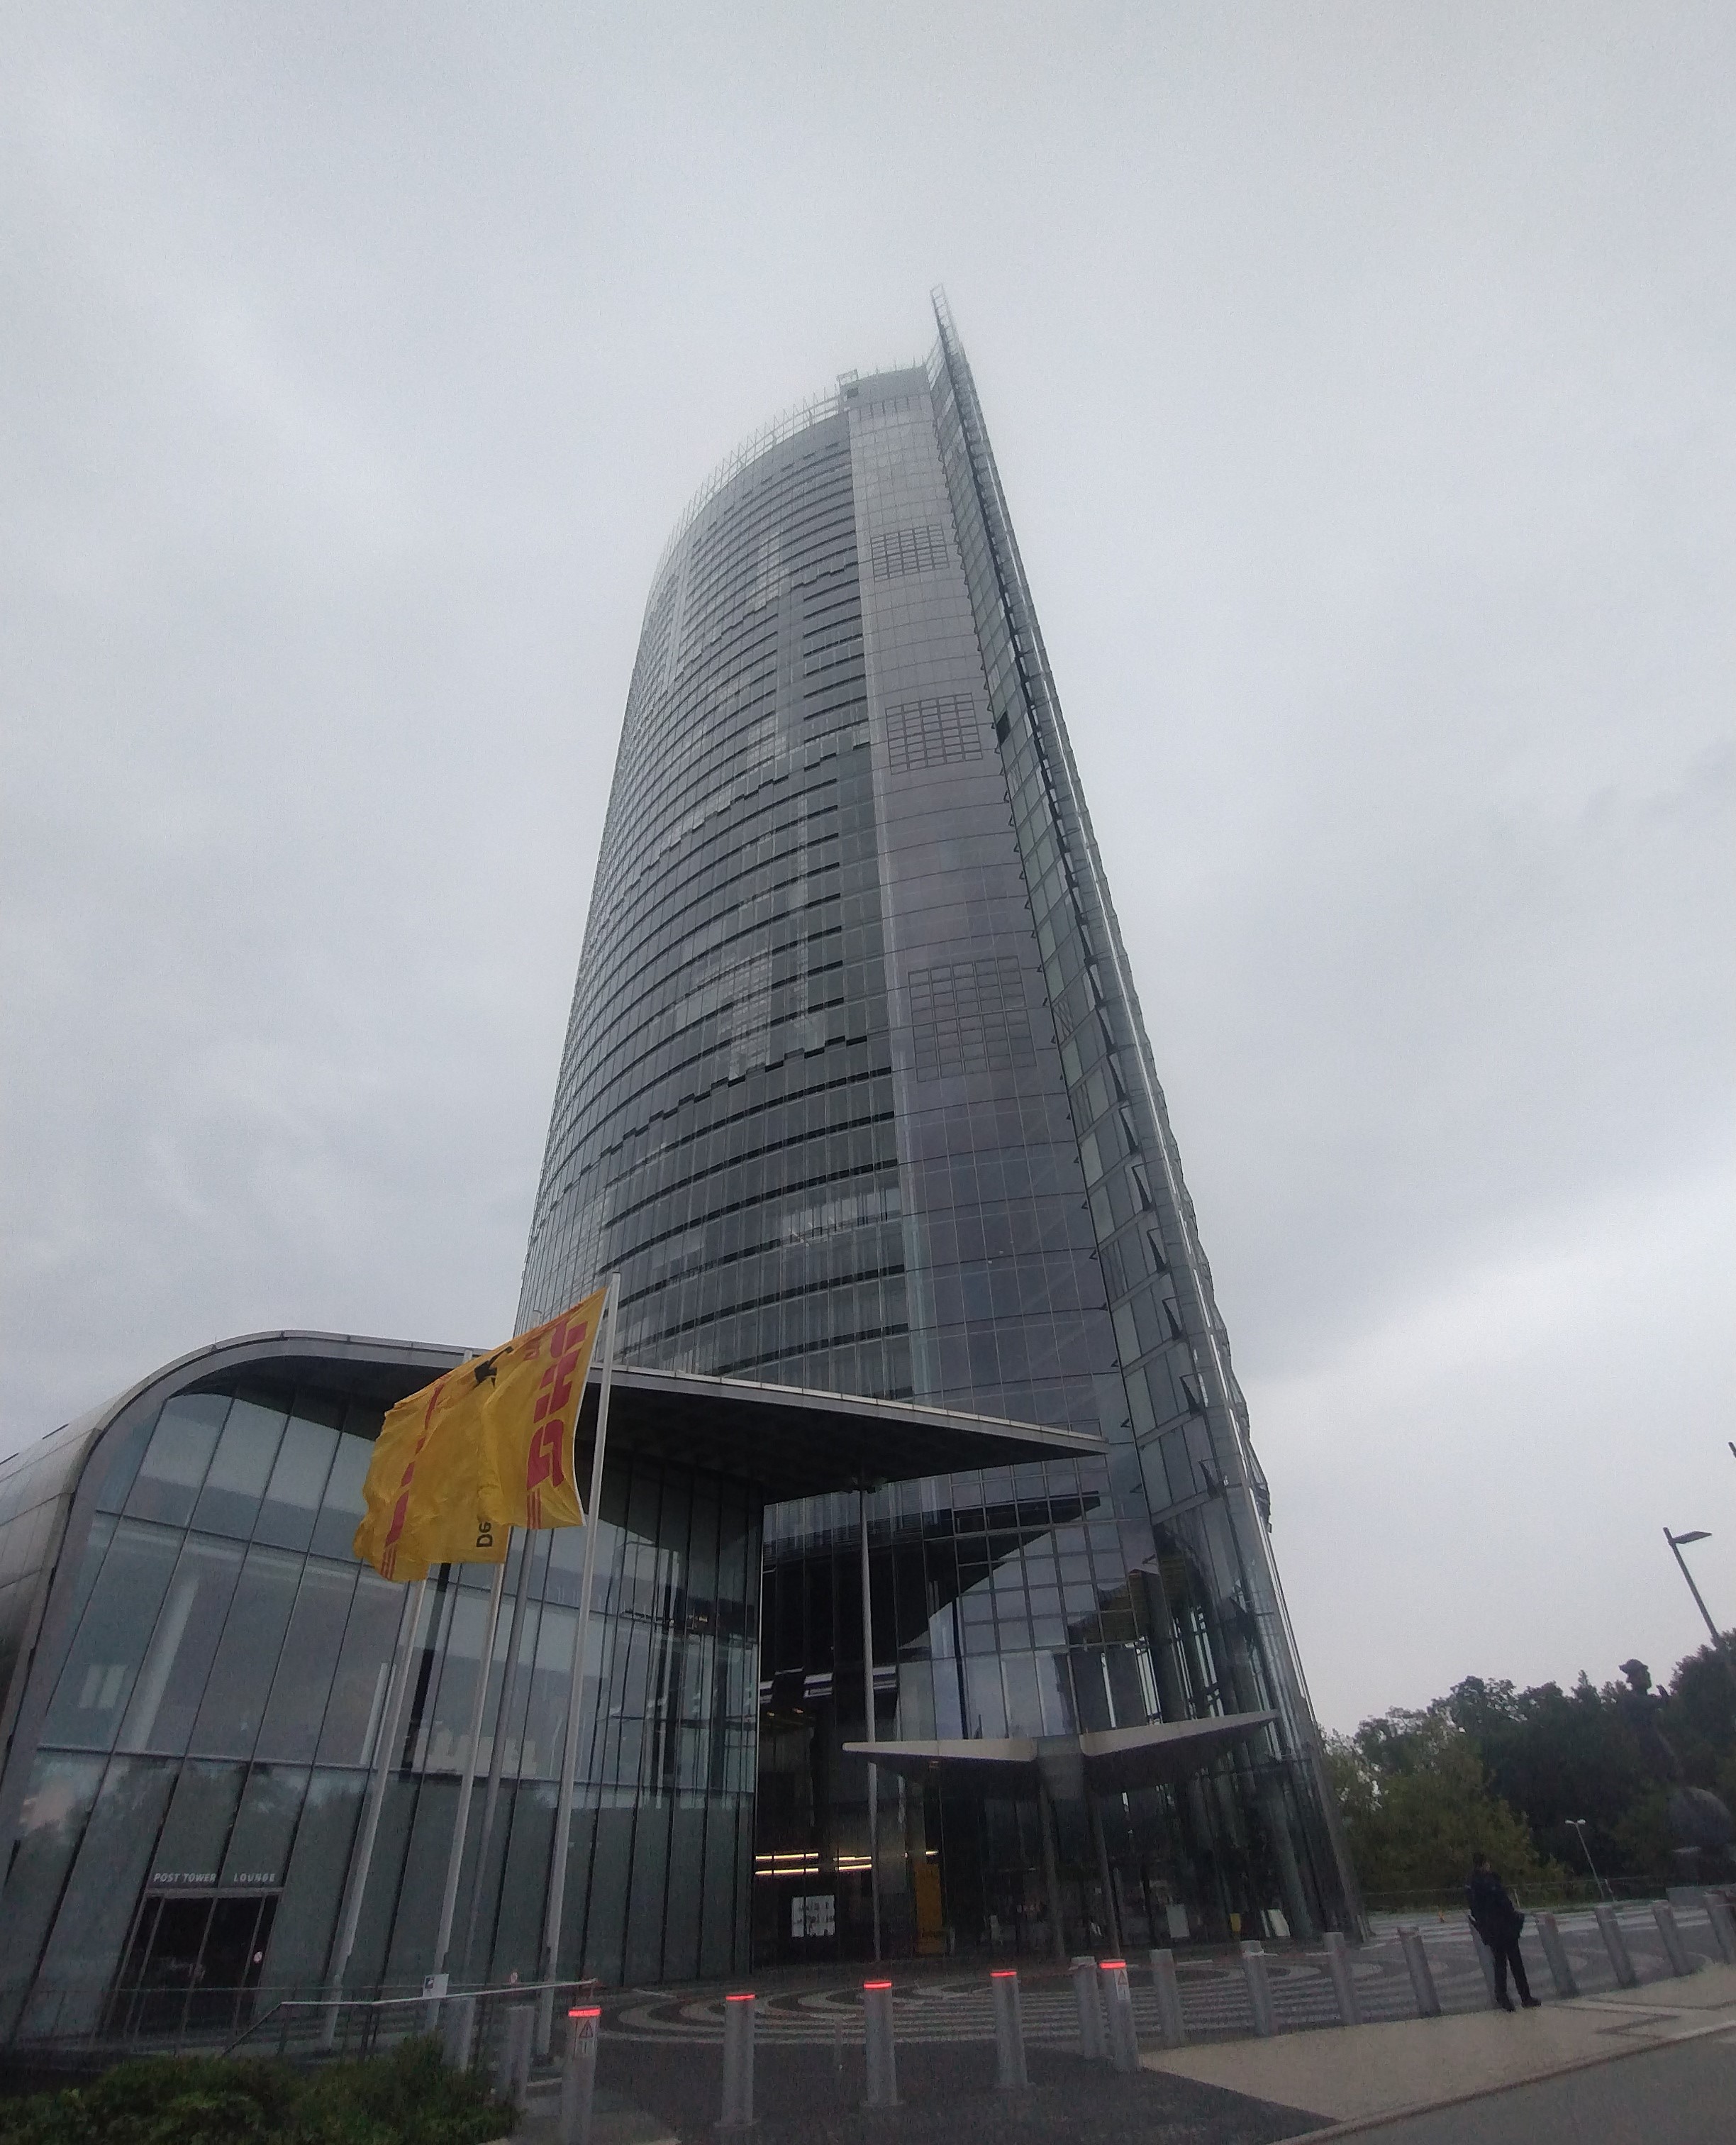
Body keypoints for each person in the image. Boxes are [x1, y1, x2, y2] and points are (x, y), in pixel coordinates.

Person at [1467, 1853, 1540, 2011]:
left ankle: (1502, 1995)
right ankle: (1525, 1996)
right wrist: (1513, 1916)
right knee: (1516, 1962)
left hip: (1491, 1928)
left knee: (1500, 1963)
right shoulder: (1490, 1882)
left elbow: (1476, 1909)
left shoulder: (1473, 1884)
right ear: (1485, 1864)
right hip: (1503, 1926)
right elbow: (1503, 1903)